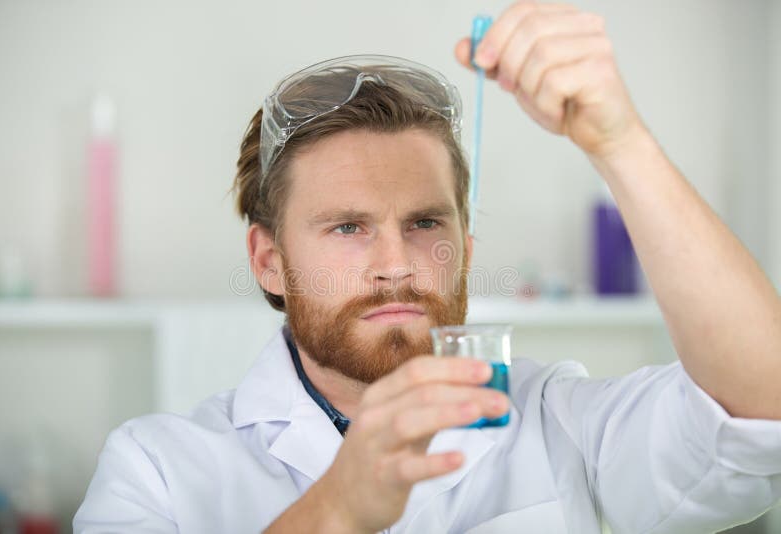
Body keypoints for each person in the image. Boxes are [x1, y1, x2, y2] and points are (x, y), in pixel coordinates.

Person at [74, 2, 781, 533]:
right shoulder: (157, 471)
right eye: (348, 227)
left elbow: (763, 409)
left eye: (425, 223)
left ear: (466, 247)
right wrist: (337, 510)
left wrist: (619, 141)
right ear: (269, 262)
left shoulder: (557, 422)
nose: (397, 265)